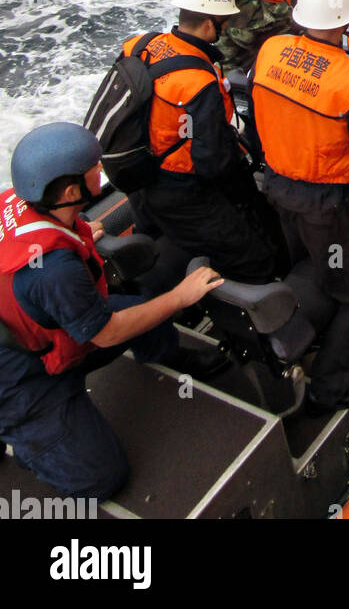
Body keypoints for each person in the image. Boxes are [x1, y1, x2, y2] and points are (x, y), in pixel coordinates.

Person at [0, 123, 223, 500]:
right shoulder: (54, 271)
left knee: (141, 311)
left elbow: (49, 237)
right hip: (21, 379)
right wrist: (180, 297)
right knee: (101, 480)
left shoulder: (17, 202)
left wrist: (83, 233)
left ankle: (165, 356)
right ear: (72, 191)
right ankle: (31, 442)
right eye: (94, 168)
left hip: (38, 327)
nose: (100, 171)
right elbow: (107, 333)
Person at [251, 0, 349, 414]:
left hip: (279, 190)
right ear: (342, 23)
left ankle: (304, 330)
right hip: (328, 206)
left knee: (312, 263)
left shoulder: (269, 52)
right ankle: (330, 388)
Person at [125, 0, 282, 283]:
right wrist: (246, 197)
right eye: (224, 22)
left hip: (137, 175)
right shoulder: (198, 83)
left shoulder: (140, 45)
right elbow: (213, 161)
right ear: (210, 24)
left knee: (149, 246)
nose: (225, 29)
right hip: (178, 190)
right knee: (253, 257)